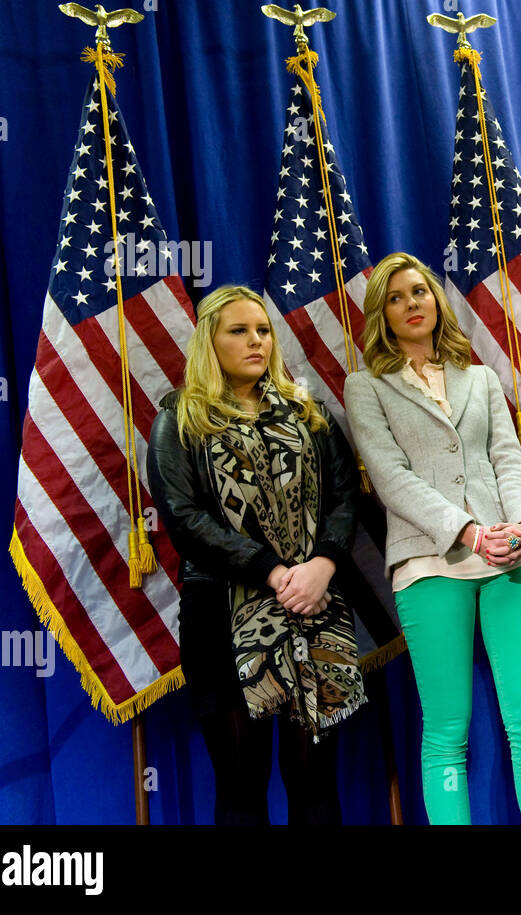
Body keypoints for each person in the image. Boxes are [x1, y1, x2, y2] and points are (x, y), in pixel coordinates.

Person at [343, 251, 521, 825]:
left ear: (436, 301)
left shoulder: (482, 378)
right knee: (446, 730)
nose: (411, 304)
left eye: (419, 292)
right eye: (395, 298)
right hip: (428, 564)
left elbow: (508, 460)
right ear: (381, 315)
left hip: (508, 561)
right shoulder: (365, 387)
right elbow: (392, 478)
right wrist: (466, 531)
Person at [146, 285, 365, 825]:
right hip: (221, 611)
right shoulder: (180, 419)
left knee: (316, 783)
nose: (256, 342)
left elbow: (344, 494)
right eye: (239, 331)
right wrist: (271, 570)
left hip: (315, 605)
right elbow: (184, 517)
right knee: (242, 785)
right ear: (209, 342)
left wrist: (324, 564)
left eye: (263, 330)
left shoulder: (306, 411)